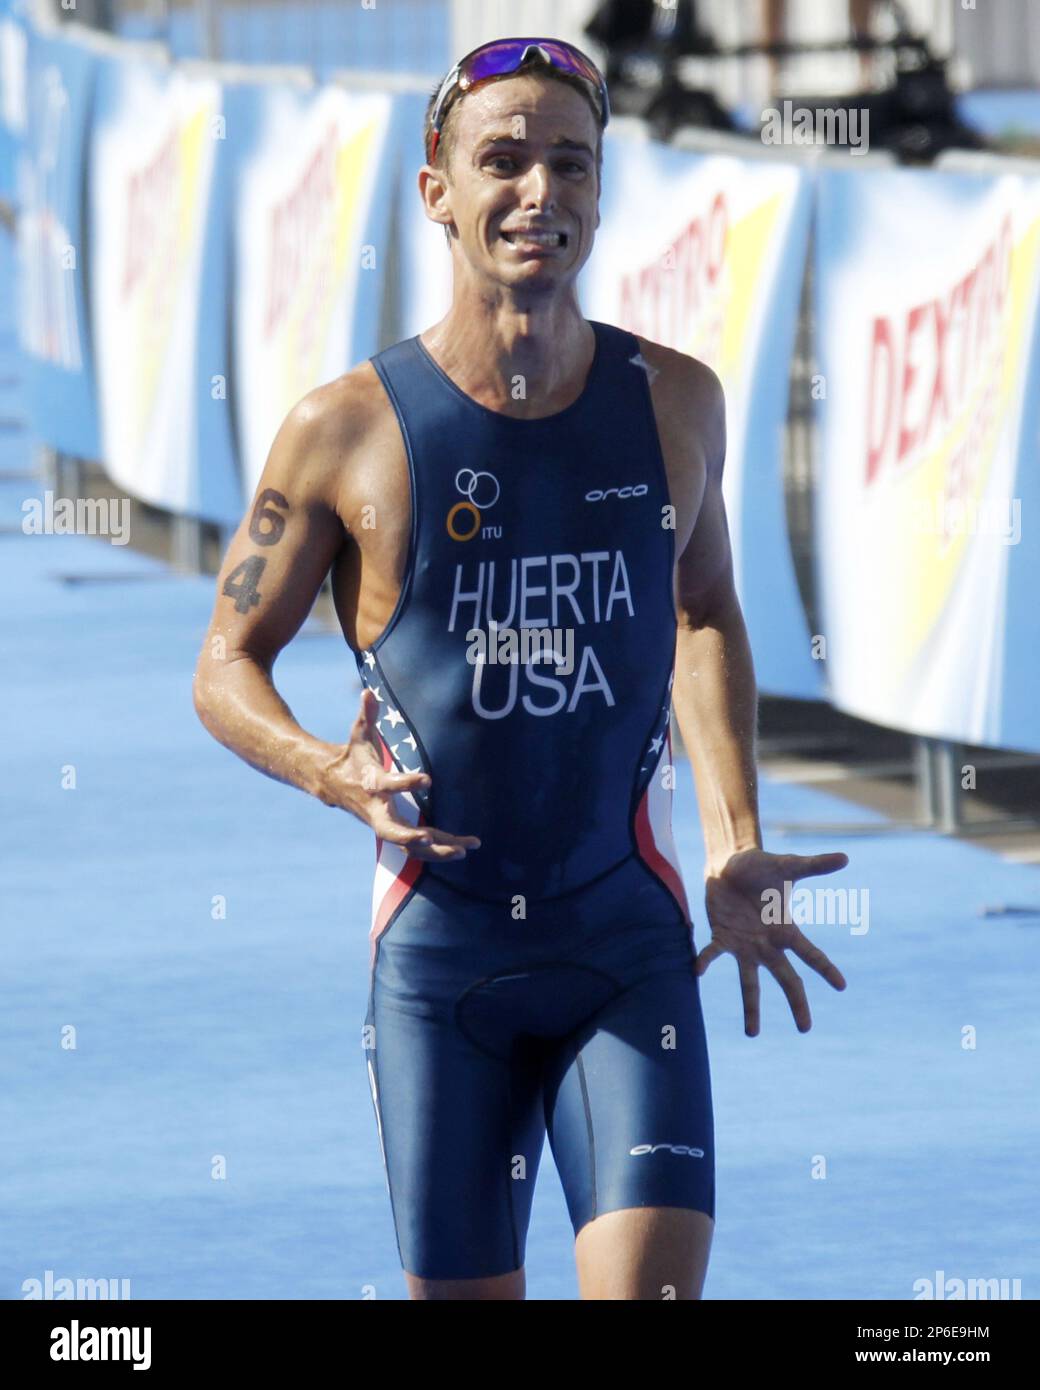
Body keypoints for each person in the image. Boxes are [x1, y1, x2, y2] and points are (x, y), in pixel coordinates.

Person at [193, 36, 849, 1301]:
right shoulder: (344, 429)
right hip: (441, 968)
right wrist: (327, 771)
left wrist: (733, 839)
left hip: (626, 941)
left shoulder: (675, 403)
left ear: (600, 195)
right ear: (436, 186)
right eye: (503, 160)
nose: (538, 192)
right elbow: (227, 662)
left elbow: (704, 611)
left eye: (570, 164)